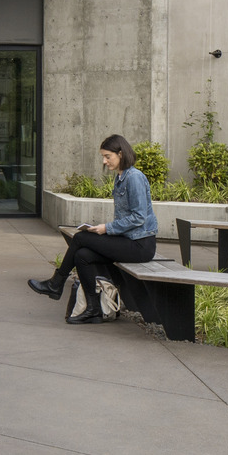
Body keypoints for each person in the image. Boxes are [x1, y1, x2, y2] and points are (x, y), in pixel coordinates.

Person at [28, 134, 158, 322]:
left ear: (120, 154)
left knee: (80, 238)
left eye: (107, 156)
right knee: (83, 256)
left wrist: (106, 228)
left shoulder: (134, 178)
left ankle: (56, 283)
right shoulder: (121, 178)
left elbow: (139, 217)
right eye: (103, 157)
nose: (104, 161)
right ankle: (93, 308)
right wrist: (105, 230)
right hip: (127, 240)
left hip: (141, 245)